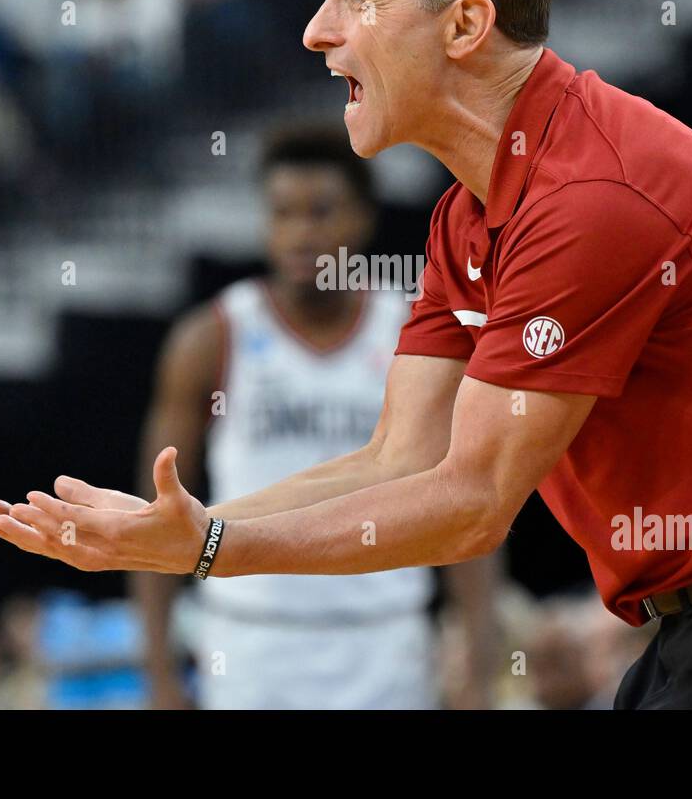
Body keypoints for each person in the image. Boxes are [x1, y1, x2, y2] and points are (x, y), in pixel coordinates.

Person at [0, 0, 692, 709]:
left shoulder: (591, 198)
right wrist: (184, 526)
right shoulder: (471, 212)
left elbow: (474, 504)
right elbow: (400, 457)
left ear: (466, 25)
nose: (318, 32)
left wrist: (209, 549)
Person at [128, 126, 498, 708]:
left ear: (362, 219)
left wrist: (477, 671)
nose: (301, 233)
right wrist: (160, 678)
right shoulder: (210, 338)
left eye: (321, 212)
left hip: (385, 640)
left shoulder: (417, 333)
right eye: (283, 214)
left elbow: (469, 498)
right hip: (250, 645)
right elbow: (158, 515)